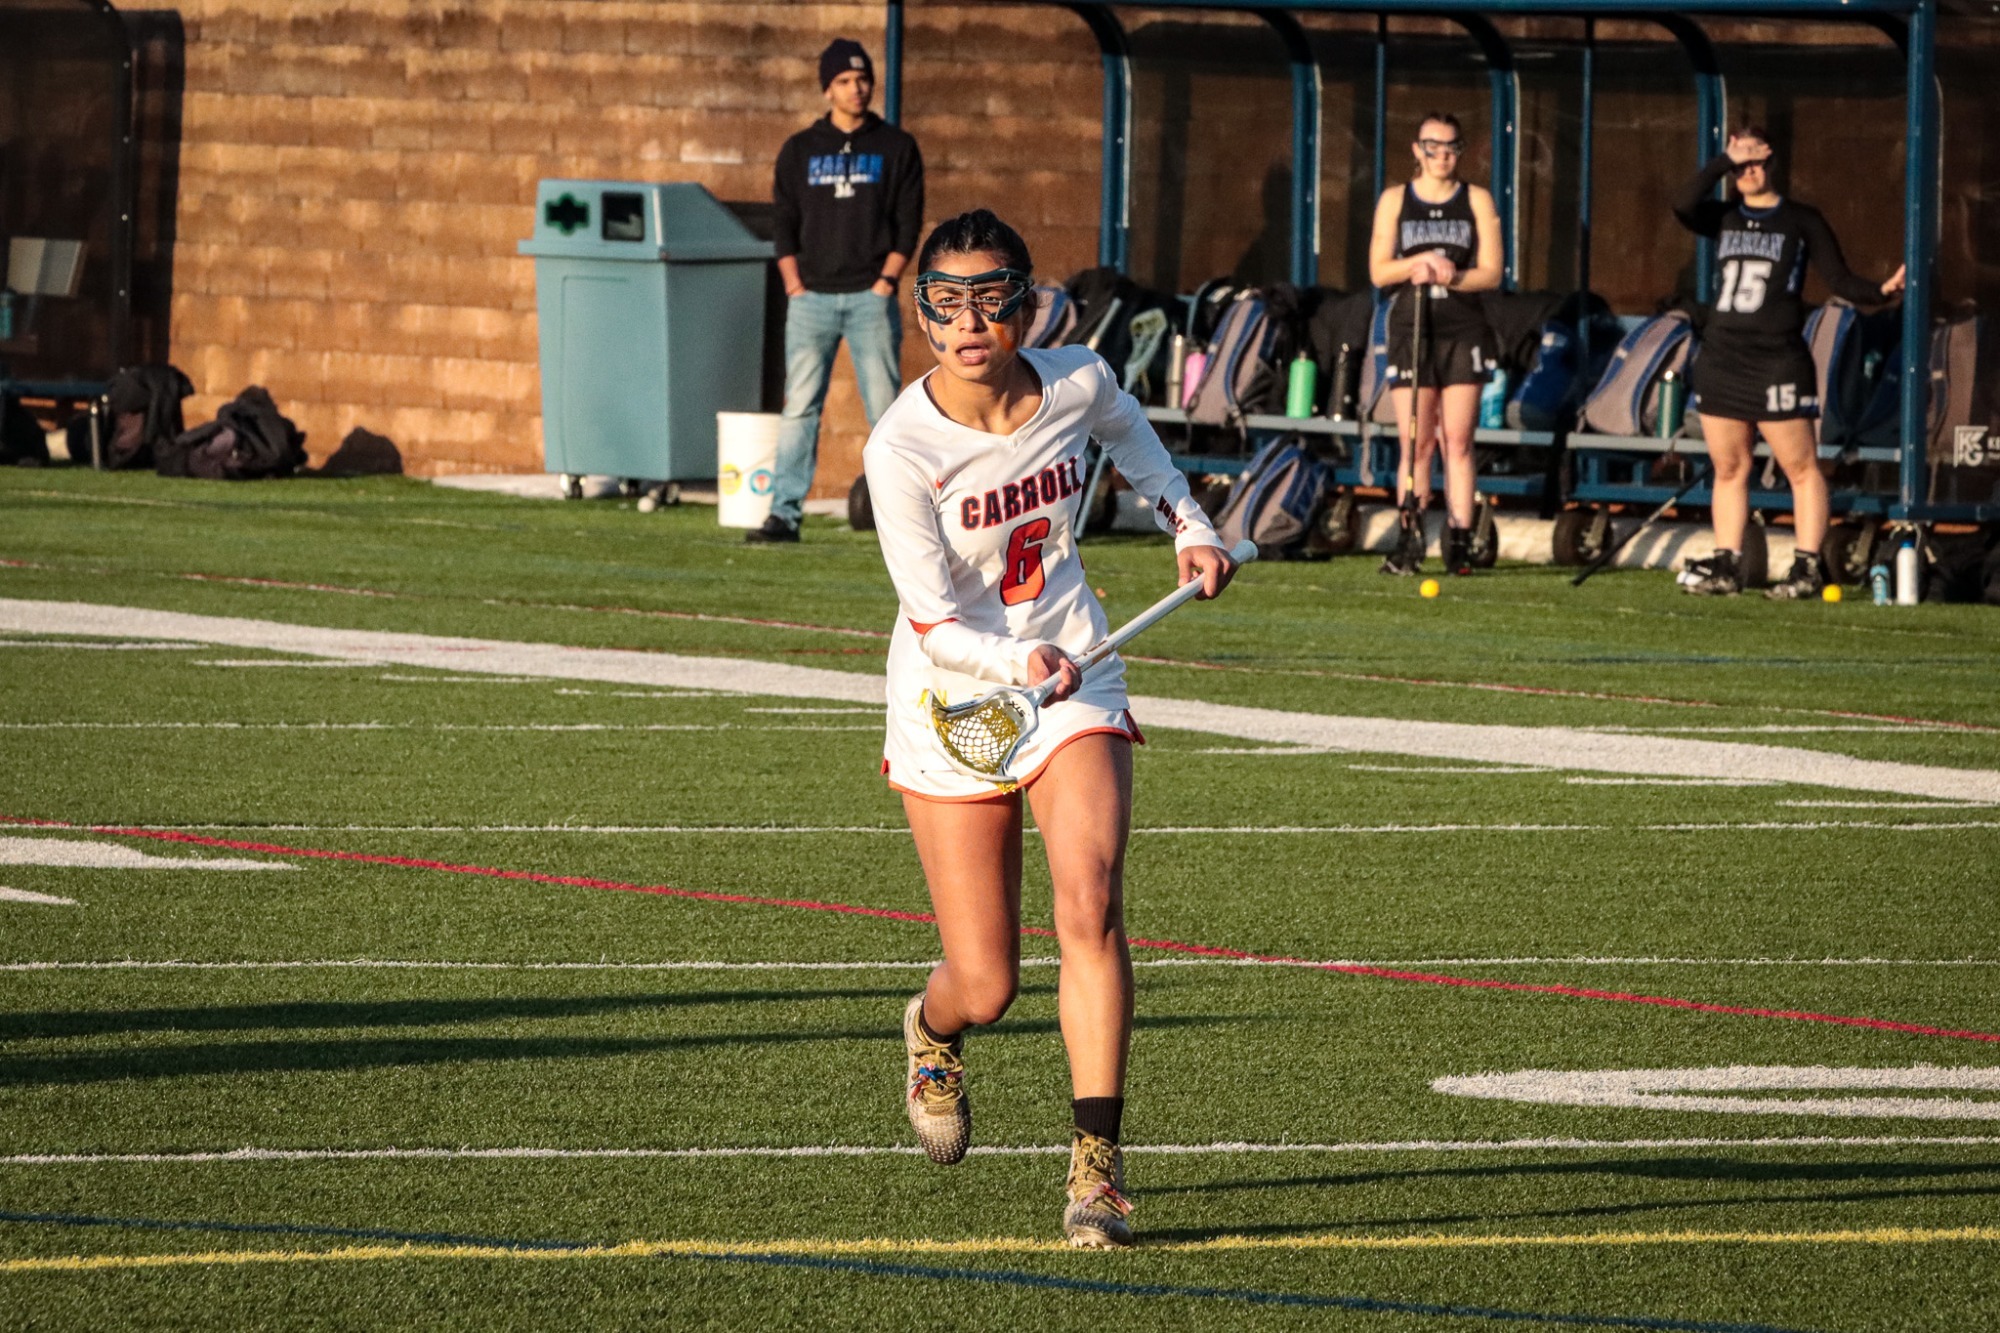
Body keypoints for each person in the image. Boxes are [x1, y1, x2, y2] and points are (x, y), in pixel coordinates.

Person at [861, 209, 1240, 1248]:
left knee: (1092, 898)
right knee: (985, 981)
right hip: (957, 696)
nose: (969, 320)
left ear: (1025, 304)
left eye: (991, 298)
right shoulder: (900, 447)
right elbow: (935, 620)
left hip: (1075, 672)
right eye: (946, 301)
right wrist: (1012, 660)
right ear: (923, 315)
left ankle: (1097, 1168)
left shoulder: (1074, 379)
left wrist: (1190, 530)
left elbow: (1141, 451)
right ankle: (932, 1031)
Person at [1672, 127, 1905, 597]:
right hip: (1722, 357)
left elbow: (1838, 276)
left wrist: (1880, 292)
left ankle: (1806, 566)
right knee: (1730, 467)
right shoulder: (1723, 217)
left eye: (1754, 162)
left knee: (1800, 466)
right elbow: (1681, 203)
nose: (1747, 172)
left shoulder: (1800, 221)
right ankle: (1726, 564)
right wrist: (1724, 160)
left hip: (1776, 359)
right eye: (1739, 166)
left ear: (1771, 162)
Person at [755, 38, 925, 544]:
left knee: (886, 414)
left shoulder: (897, 147)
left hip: (870, 299)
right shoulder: (800, 149)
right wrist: (794, 285)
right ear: (828, 88)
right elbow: (782, 223)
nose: (858, 89)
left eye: (864, 79)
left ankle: (902, 517)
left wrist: (884, 283)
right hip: (810, 301)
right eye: (846, 81)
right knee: (799, 409)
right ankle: (783, 514)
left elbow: (908, 223)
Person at [1367, 111, 1505, 577]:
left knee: (1459, 440)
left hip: (1463, 328)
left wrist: (1455, 273)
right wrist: (1417, 263)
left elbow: (1492, 270)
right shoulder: (1395, 199)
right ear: (1417, 149)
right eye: (1433, 147)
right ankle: (1410, 538)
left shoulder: (1477, 199)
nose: (1442, 157)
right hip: (1412, 327)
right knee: (1418, 442)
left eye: (1451, 148)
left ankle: (1460, 540)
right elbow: (1379, 270)